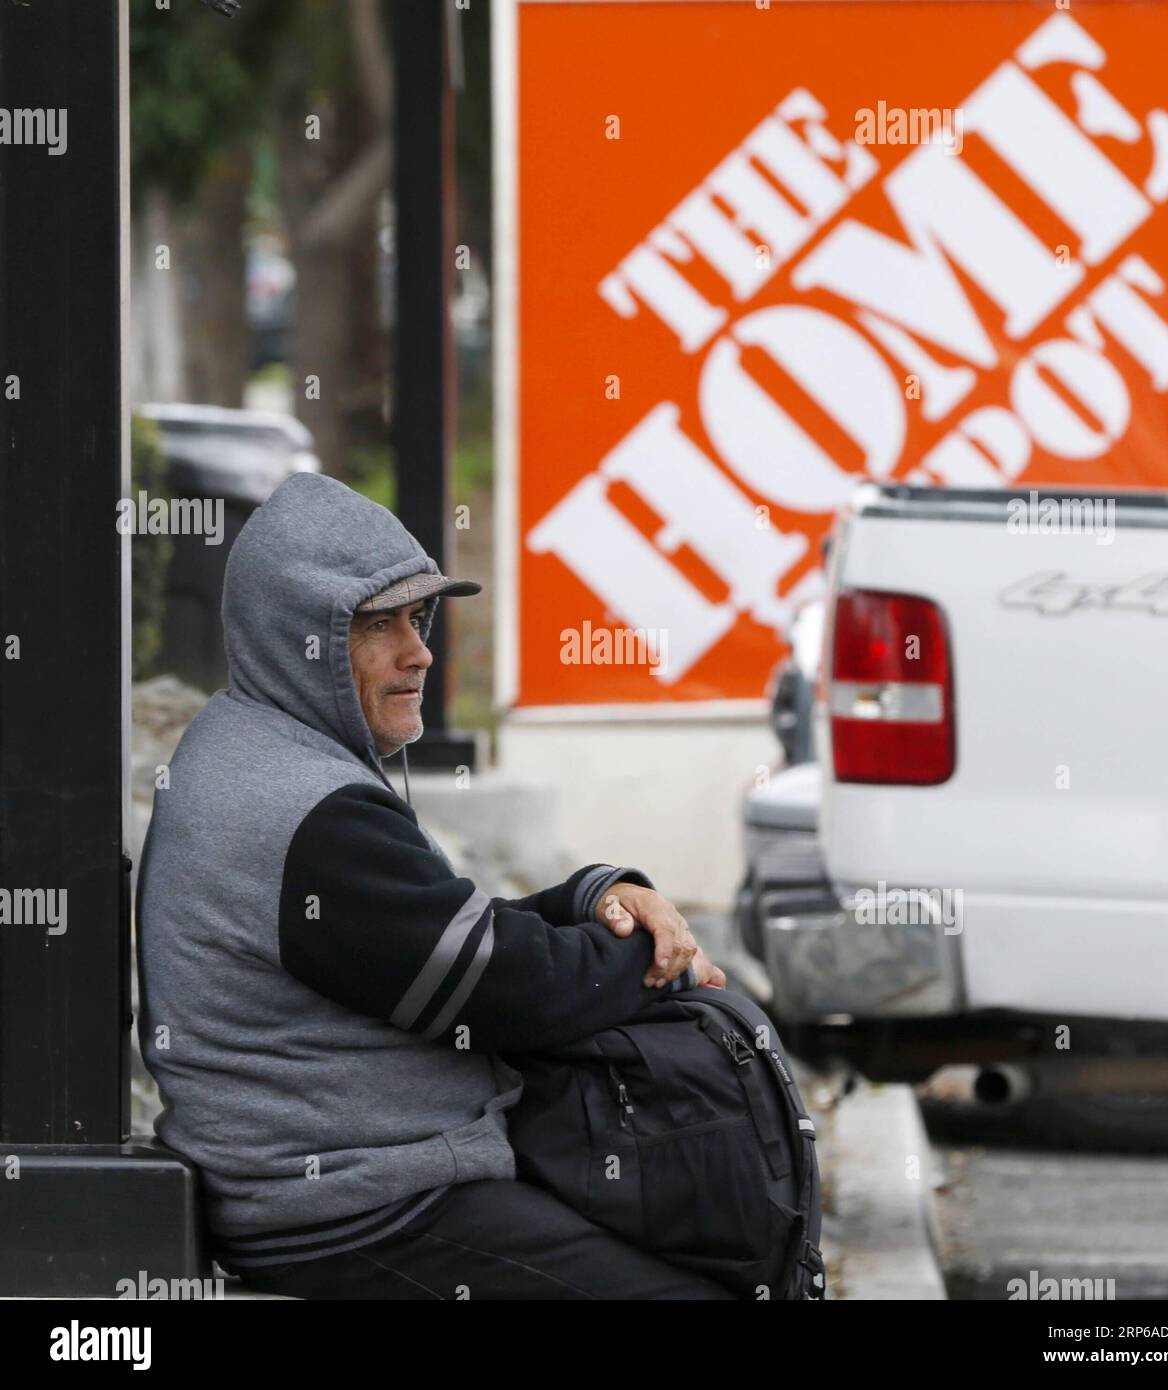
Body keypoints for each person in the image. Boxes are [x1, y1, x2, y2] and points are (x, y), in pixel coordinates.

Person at [135, 471, 732, 1300]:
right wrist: (655, 961)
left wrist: (590, 900)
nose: (418, 651)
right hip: (354, 1207)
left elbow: (439, 938)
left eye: (417, 618)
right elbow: (500, 989)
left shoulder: (256, 744)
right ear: (295, 636)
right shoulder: (305, 809)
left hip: (352, 1177)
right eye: (378, 624)